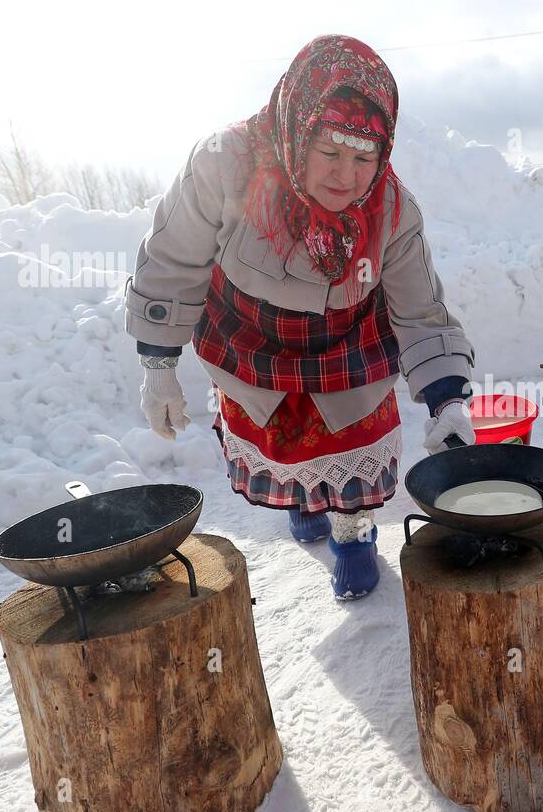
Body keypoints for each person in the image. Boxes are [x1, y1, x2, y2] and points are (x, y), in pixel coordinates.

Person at [123, 33, 476, 599]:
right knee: (282, 446)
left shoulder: (392, 210)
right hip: (251, 344)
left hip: (347, 351)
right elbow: (173, 258)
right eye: (330, 152)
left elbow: (420, 312)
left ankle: (354, 536)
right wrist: (158, 363)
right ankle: (304, 508)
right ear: (297, 129)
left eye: (364, 159)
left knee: (349, 454)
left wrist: (447, 400)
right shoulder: (224, 165)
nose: (346, 176)